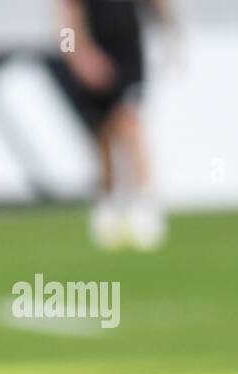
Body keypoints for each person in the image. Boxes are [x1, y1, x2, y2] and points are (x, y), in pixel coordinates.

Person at [61, 0, 173, 250]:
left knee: (130, 123)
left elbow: (158, 5)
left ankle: (144, 205)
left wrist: (171, 36)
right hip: (93, 53)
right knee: (101, 134)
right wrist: (78, 55)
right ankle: (107, 204)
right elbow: (66, 21)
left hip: (128, 53)